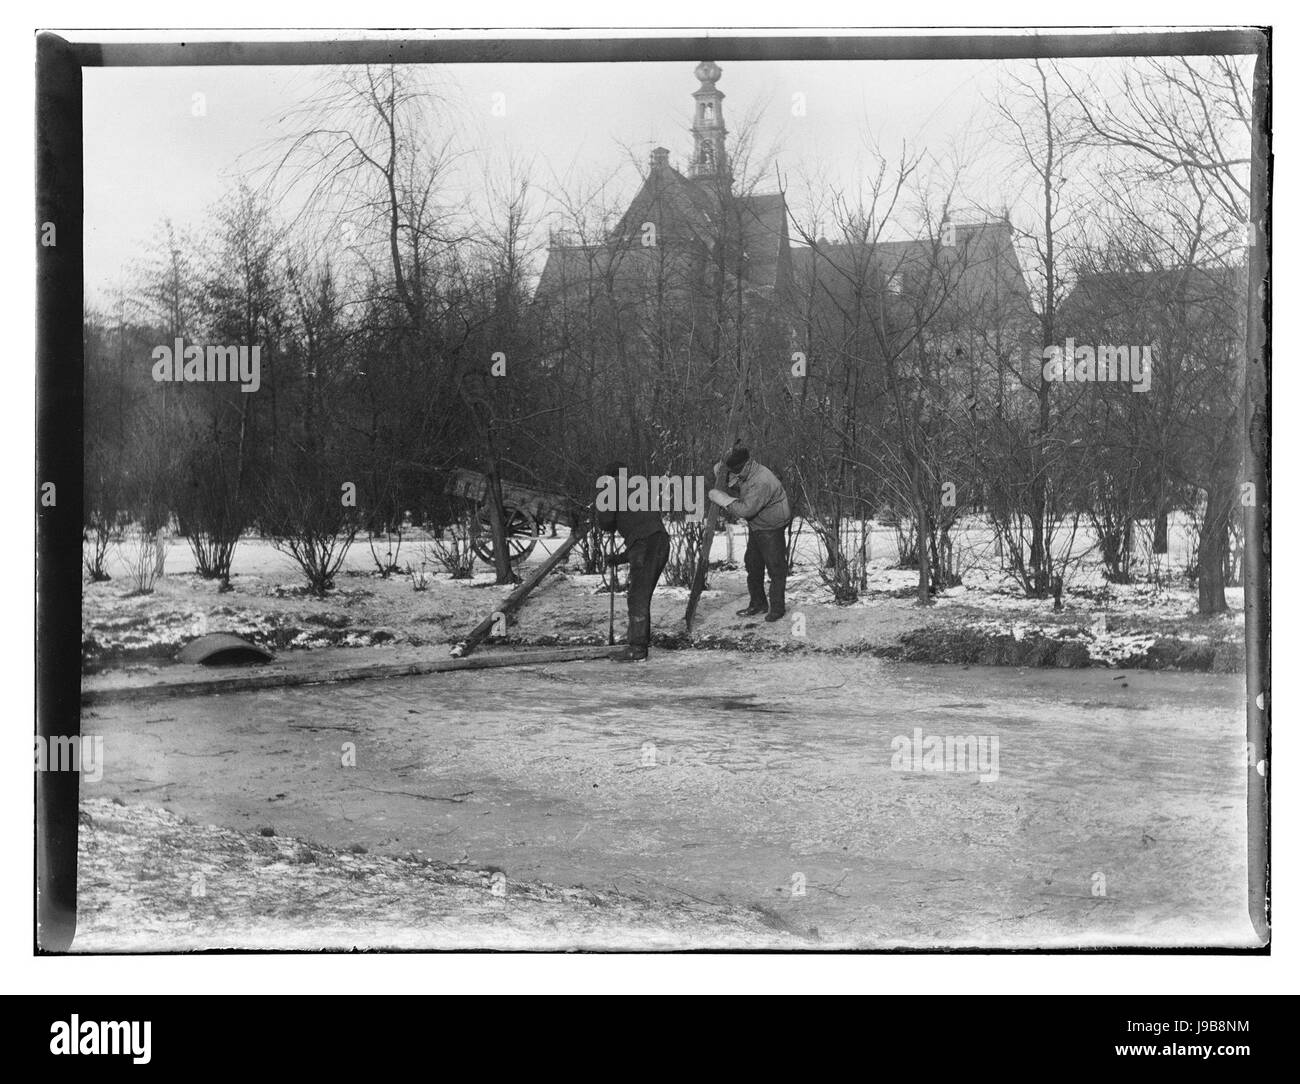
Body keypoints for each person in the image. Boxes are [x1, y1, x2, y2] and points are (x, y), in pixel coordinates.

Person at [596, 461, 671, 662]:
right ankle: (638, 641)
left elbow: (605, 523)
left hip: (646, 546)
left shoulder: (612, 489)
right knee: (642, 594)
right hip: (661, 543)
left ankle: (637, 648)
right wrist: (619, 559)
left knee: (637, 597)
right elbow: (643, 531)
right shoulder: (640, 488)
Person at [711, 447, 792, 622]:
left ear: (743, 465)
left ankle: (777, 608)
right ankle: (758, 604)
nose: (734, 474)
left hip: (771, 526)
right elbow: (744, 489)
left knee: (776, 568)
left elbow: (746, 509)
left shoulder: (760, 481)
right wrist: (726, 477)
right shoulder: (749, 473)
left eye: (734, 470)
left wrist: (725, 499)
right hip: (759, 525)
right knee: (753, 564)